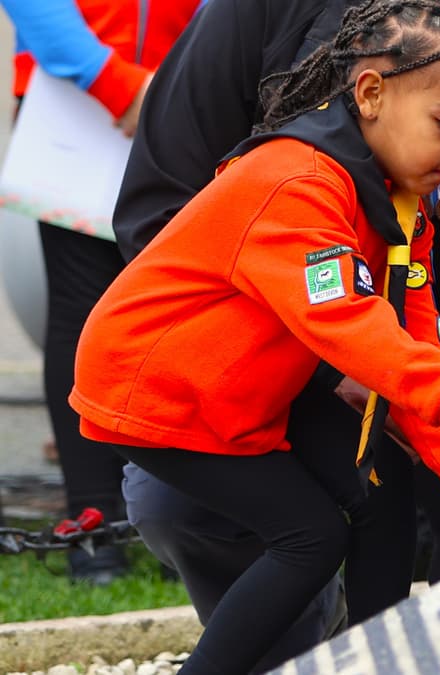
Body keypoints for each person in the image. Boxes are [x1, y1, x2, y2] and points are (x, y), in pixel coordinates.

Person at [110, 0, 440, 664]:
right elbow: (354, 330)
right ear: (369, 94)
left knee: (377, 496)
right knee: (306, 537)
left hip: (326, 349)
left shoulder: (400, 201)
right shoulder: (299, 185)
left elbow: (415, 339)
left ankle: (394, 657)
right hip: (186, 384)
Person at [0, 0, 202, 584]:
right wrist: (114, 83)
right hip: (71, 97)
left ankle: (186, 519)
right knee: (80, 312)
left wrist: (197, 79)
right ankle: (92, 521)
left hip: (187, 94)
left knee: (187, 311)